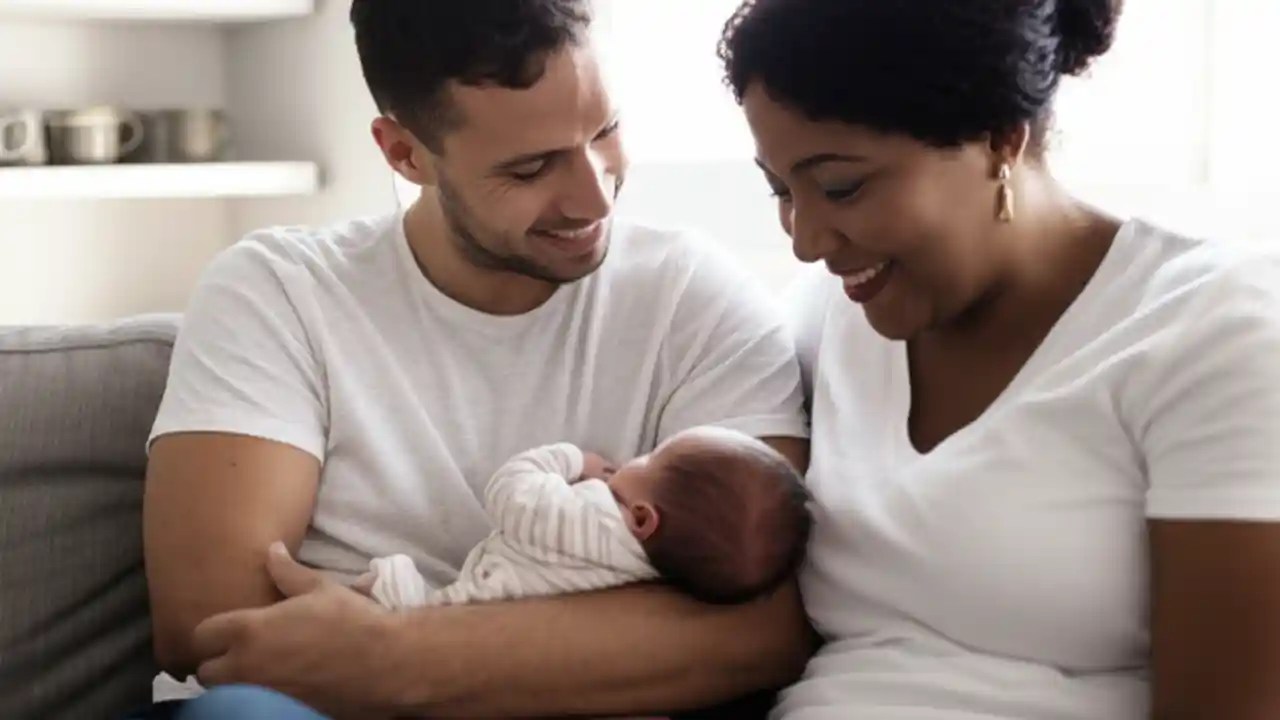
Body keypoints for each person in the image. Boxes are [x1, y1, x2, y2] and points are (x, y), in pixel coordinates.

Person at [139, 1, 811, 718]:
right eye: (530, 168)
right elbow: (213, 627)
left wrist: (395, 658)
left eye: (605, 130)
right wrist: (594, 646)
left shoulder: (695, 298)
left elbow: (768, 624)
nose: (593, 195)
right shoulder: (279, 290)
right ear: (405, 154)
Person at [718, 0, 1280, 718]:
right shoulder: (824, 319)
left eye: (839, 188)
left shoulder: (1211, 331)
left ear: (999, 140)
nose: (804, 239)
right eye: (780, 190)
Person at [366, 428, 811, 610]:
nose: (638, 456)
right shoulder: (653, 578)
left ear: (641, 518)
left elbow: (510, 492)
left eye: (651, 457)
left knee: (389, 579)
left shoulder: (596, 523)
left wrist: (571, 459)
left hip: (452, 613)